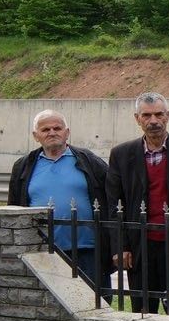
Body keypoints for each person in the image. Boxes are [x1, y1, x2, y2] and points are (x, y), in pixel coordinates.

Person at [104, 92, 169, 314]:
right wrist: (121, 246)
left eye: (158, 114)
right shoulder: (121, 154)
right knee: (142, 308)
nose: (153, 121)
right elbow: (114, 203)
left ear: (168, 116)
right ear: (137, 118)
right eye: (146, 115)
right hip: (140, 245)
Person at [7, 109, 111, 291]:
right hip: (42, 251)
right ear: (36, 135)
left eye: (57, 128)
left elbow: (110, 198)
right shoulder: (24, 166)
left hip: (88, 250)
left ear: (67, 132)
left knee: (96, 302)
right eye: (45, 129)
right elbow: (13, 207)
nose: (52, 133)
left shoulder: (89, 161)